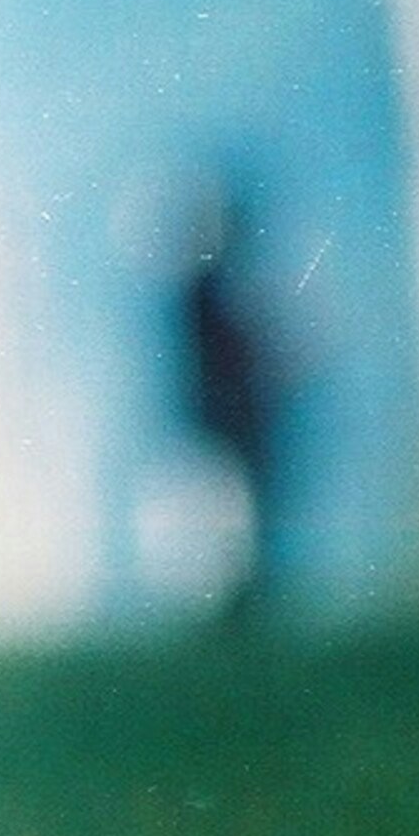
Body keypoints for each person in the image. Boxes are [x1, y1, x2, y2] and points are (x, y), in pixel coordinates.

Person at [174, 183, 285, 625]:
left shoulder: (209, 286)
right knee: (233, 518)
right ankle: (235, 606)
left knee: (243, 517)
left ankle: (241, 605)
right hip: (229, 422)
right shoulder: (205, 288)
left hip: (233, 420)